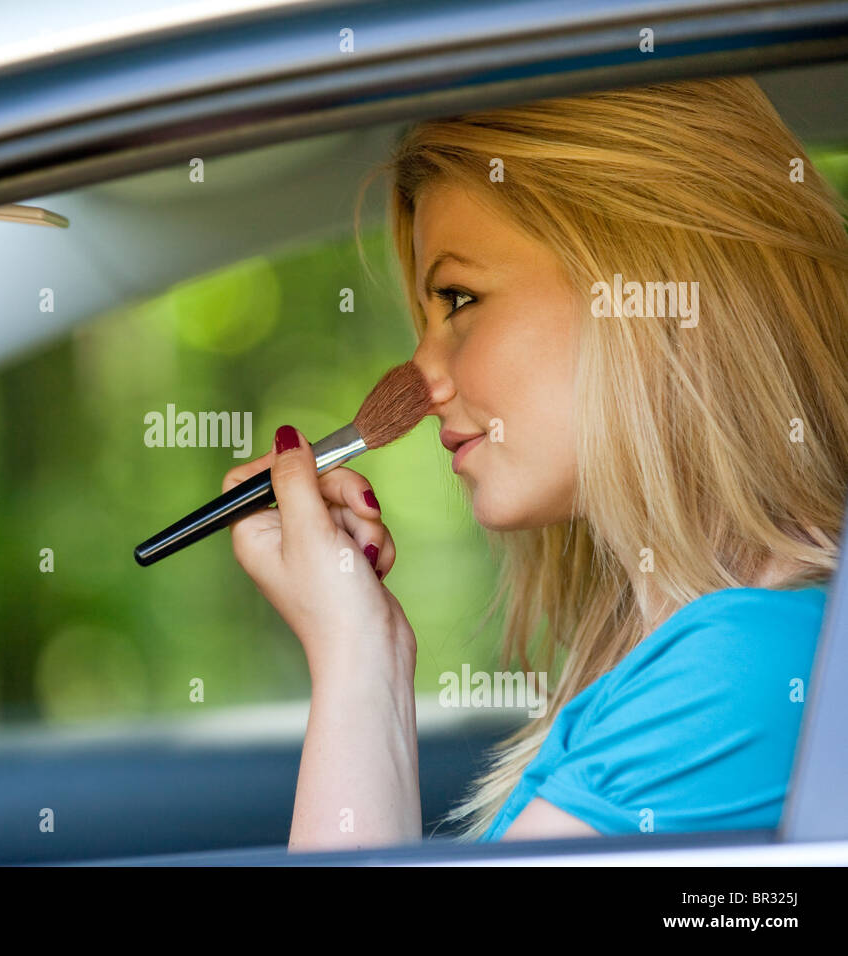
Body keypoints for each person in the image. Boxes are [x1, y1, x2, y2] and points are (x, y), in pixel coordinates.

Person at [222, 75, 848, 849]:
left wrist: (353, 672)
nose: (422, 376)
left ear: (643, 284)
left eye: (457, 299)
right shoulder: (723, 657)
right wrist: (363, 652)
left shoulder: (746, 669)